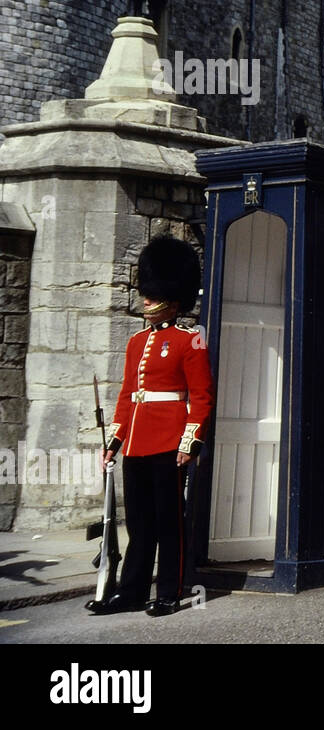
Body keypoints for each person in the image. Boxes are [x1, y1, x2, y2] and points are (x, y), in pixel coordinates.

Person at [87, 236, 213, 617]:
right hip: (138, 442)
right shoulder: (136, 342)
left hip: (169, 441)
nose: (146, 300)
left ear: (172, 301)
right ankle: (132, 591)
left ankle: (170, 591)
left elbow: (202, 397)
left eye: (153, 295)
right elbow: (128, 396)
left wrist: (190, 443)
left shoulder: (190, 341)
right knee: (139, 524)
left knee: (168, 523)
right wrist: (115, 440)